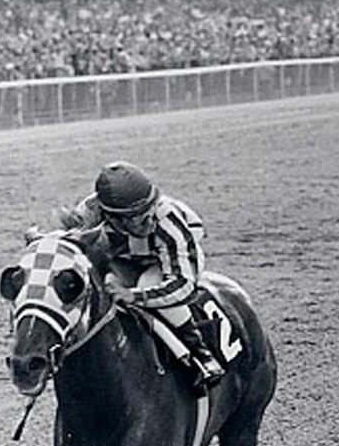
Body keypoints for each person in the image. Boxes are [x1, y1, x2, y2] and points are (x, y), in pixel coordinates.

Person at [61, 161, 225, 388]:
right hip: (124, 257)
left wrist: (135, 296)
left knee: (148, 281)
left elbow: (182, 285)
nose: (149, 219)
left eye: (149, 209)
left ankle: (201, 355)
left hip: (168, 258)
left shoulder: (167, 221)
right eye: (136, 216)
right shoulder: (89, 216)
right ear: (112, 216)